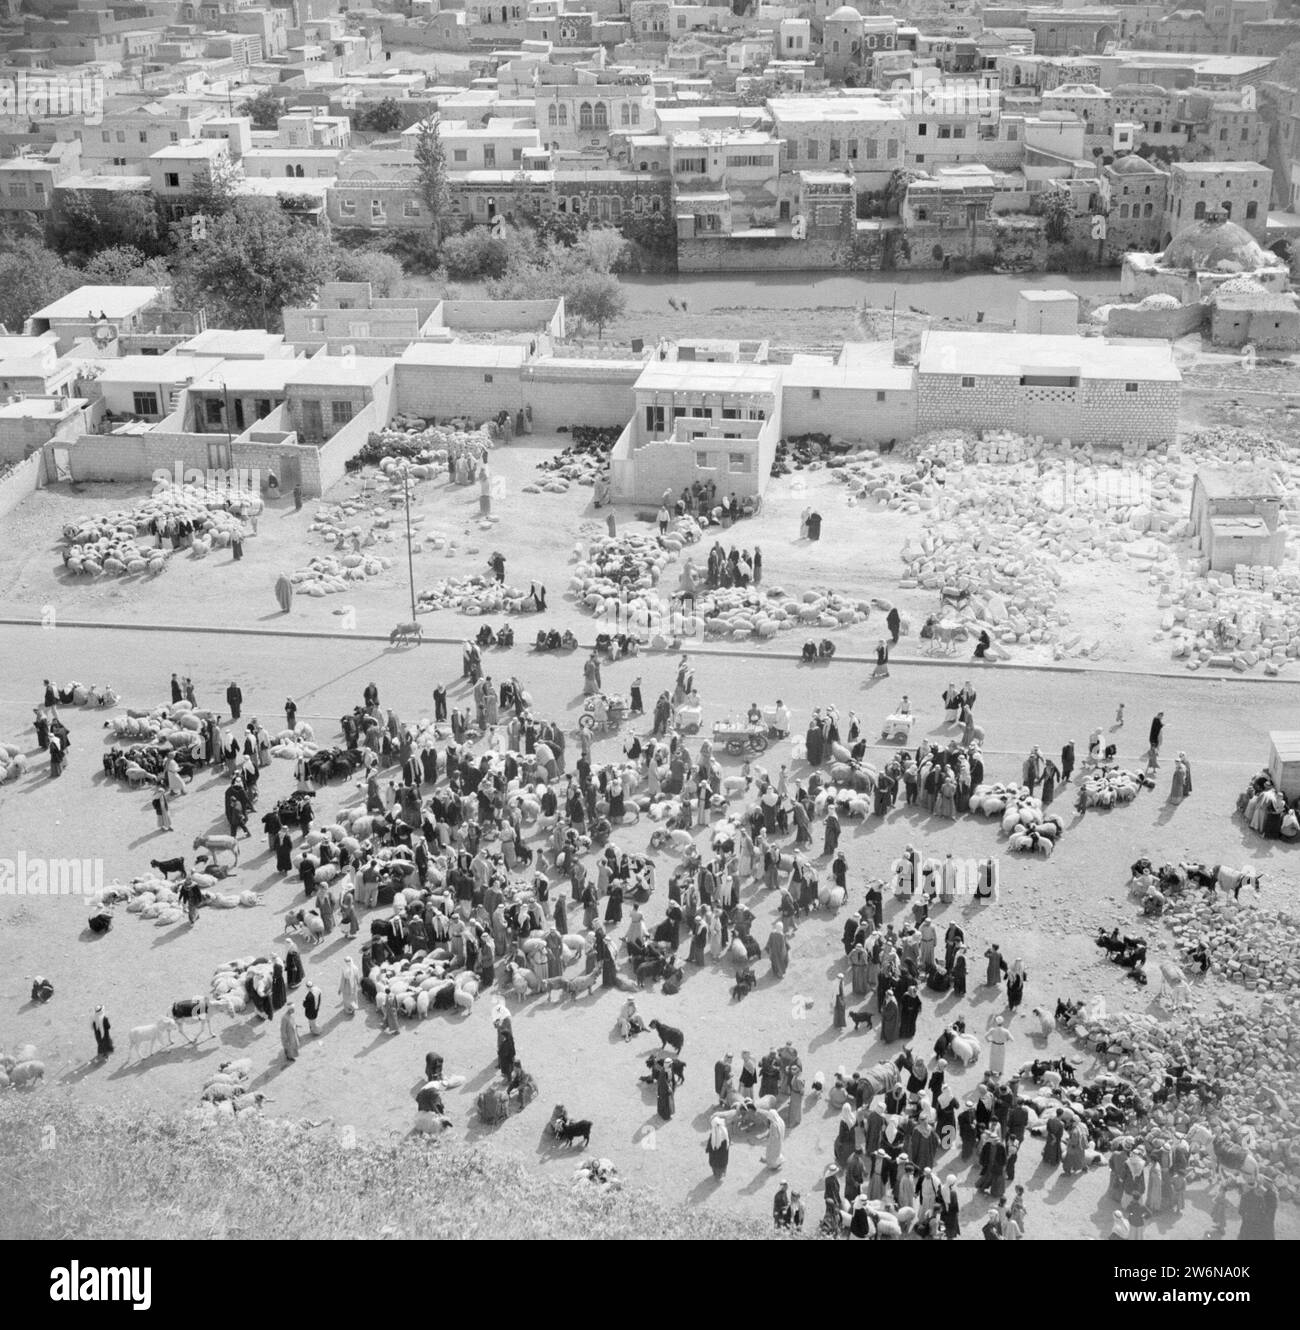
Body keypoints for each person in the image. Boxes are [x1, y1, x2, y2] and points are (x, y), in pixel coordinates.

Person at [706, 1116, 730, 1181]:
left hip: (715, 1156)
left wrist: (707, 1149)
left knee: (715, 1166)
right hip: (723, 1156)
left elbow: (710, 1144)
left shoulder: (713, 1134)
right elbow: (728, 1141)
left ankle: (717, 1176)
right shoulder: (725, 1131)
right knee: (721, 1166)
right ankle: (720, 1175)